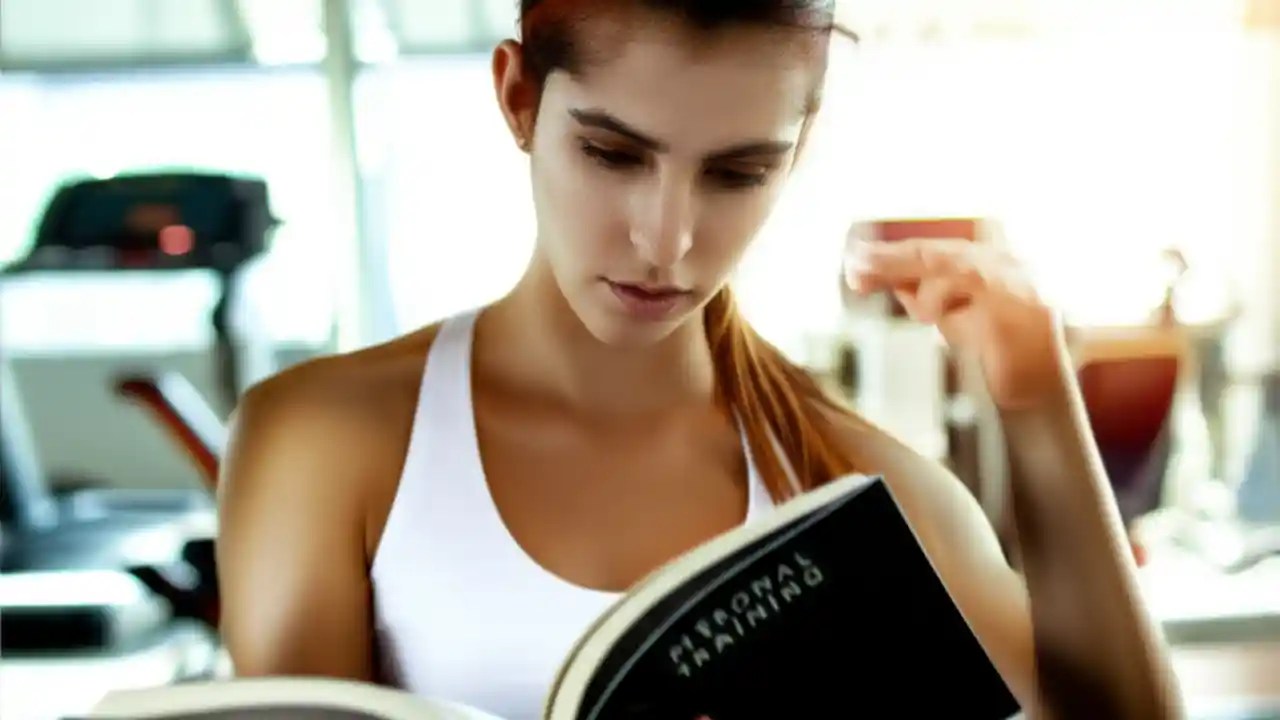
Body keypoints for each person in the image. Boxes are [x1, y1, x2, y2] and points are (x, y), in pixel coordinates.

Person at [216, 1, 1182, 718]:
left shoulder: (854, 488)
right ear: (518, 99)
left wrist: (1037, 401)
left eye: (737, 172)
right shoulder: (324, 441)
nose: (668, 239)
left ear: (796, 155)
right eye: (612, 154)